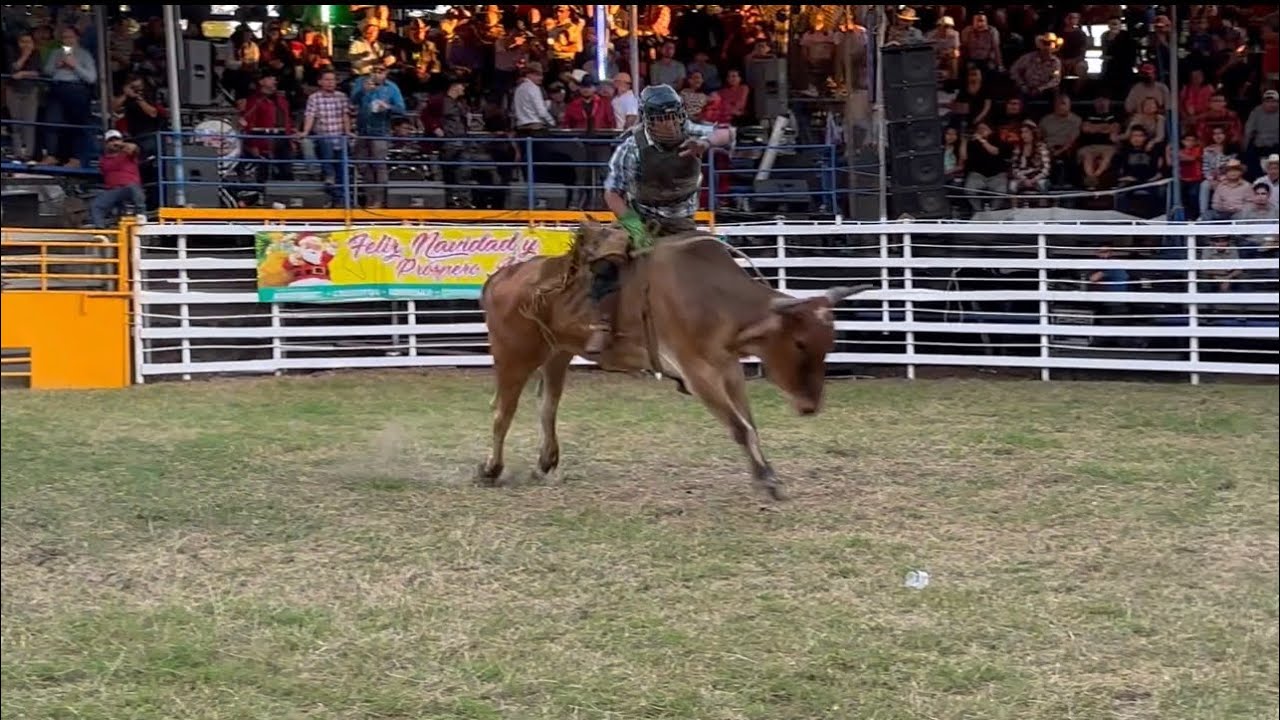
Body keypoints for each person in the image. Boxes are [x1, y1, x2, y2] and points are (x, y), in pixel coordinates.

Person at [585, 84, 735, 357]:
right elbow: (612, 192)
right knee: (608, 256)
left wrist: (706, 143)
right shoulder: (630, 147)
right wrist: (635, 227)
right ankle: (602, 324)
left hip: (682, 222)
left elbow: (727, 133)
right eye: (660, 118)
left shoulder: (692, 132)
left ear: (680, 114)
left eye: (672, 116)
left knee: (714, 261)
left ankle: (722, 326)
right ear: (648, 120)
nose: (669, 124)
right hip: (641, 217)